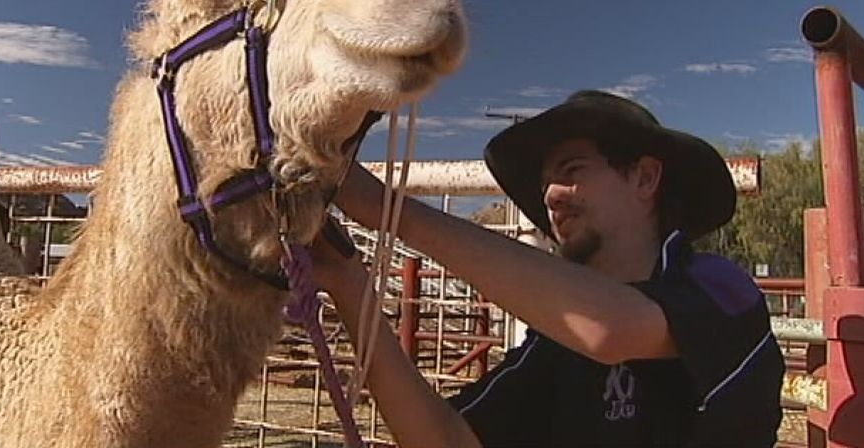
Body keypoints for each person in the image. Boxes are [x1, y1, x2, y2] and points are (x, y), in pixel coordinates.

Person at [311, 90, 784, 447]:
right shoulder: (556, 345)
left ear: (644, 178)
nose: (551, 195)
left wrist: (384, 208)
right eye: (546, 183)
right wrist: (348, 281)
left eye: (573, 170)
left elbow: (609, 329)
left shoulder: (720, 289)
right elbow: (445, 439)